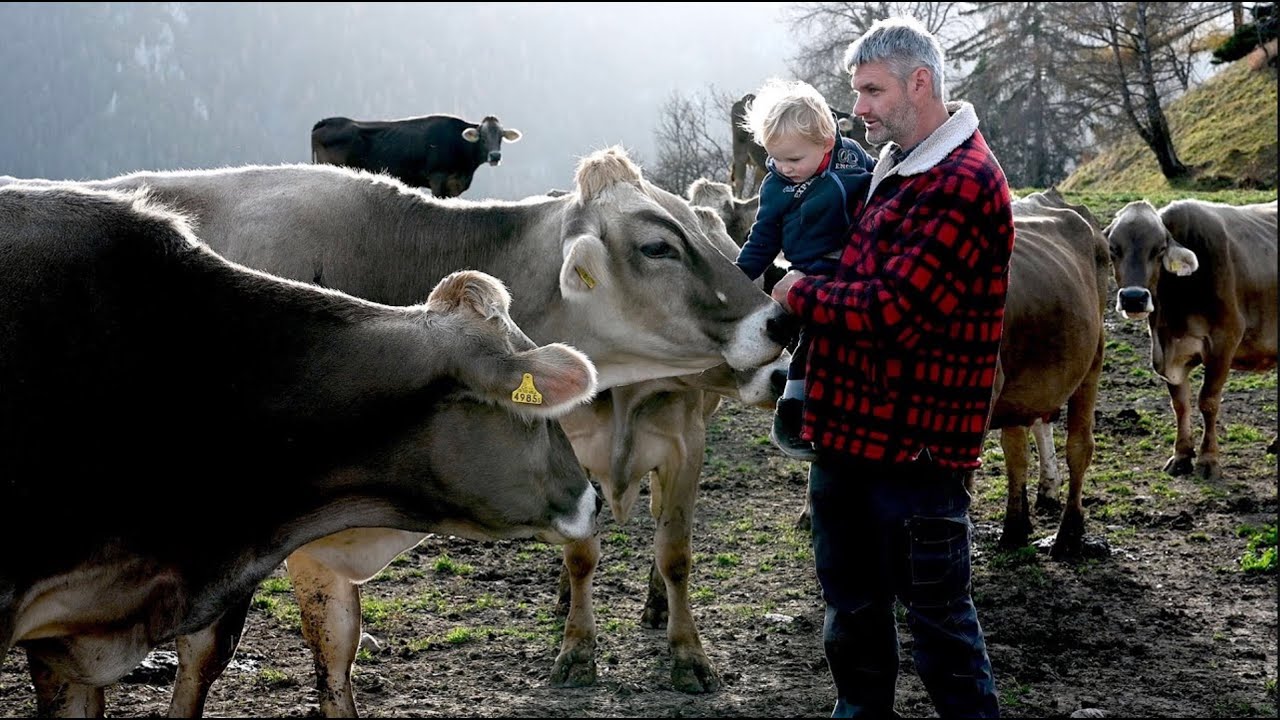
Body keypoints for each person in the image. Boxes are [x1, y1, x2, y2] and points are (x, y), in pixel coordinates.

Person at [769, 15, 1012, 719]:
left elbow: (892, 312)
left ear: (921, 83)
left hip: (916, 456)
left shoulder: (962, 181)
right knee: (853, 617)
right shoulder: (895, 166)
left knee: (939, 631)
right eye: (856, 92)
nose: (859, 109)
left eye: (871, 92)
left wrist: (796, 288)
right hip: (850, 442)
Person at [734, 78, 875, 462]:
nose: (783, 168)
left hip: (858, 262)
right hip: (811, 270)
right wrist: (738, 279)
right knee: (812, 338)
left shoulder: (851, 157)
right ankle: (793, 408)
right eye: (775, 158)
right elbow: (762, 240)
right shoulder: (777, 187)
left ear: (827, 143)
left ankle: (844, 406)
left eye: (793, 160)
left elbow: (882, 179)